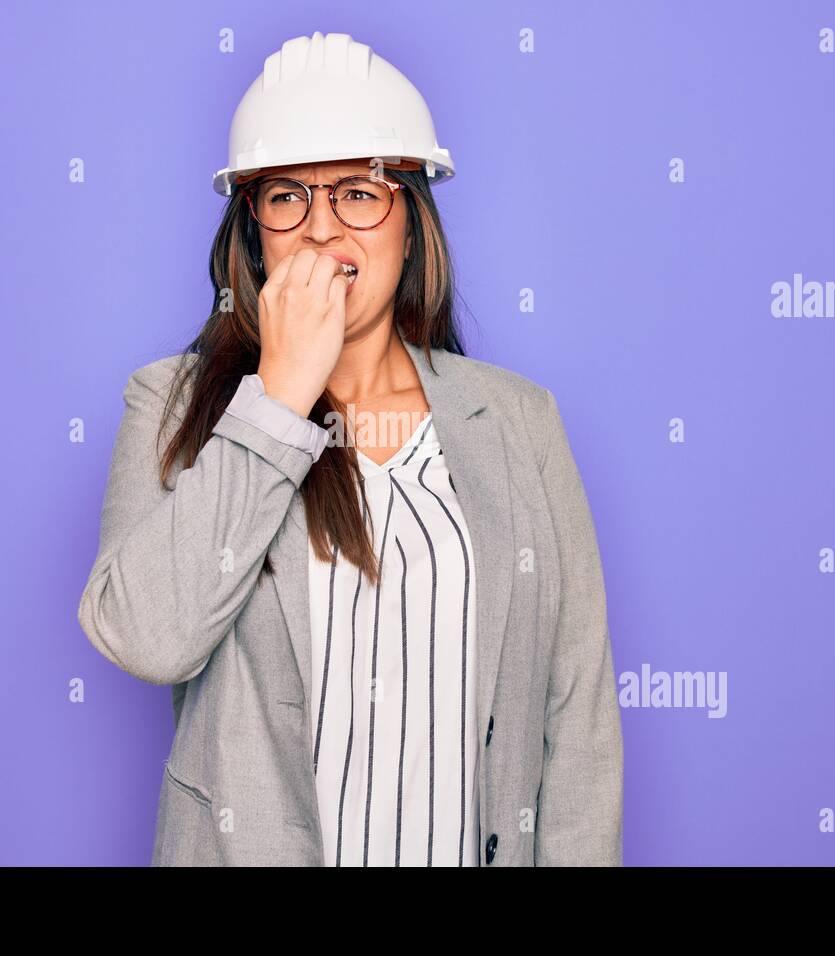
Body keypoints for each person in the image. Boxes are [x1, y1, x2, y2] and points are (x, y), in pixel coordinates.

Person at [77, 30, 623, 866]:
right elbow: (147, 637)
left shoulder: (521, 422)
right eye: (288, 195)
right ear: (254, 231)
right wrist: (282, 394)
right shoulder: (174, 406)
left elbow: (576, 715)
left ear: (412, 220)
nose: (323, 230)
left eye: (359, 193)